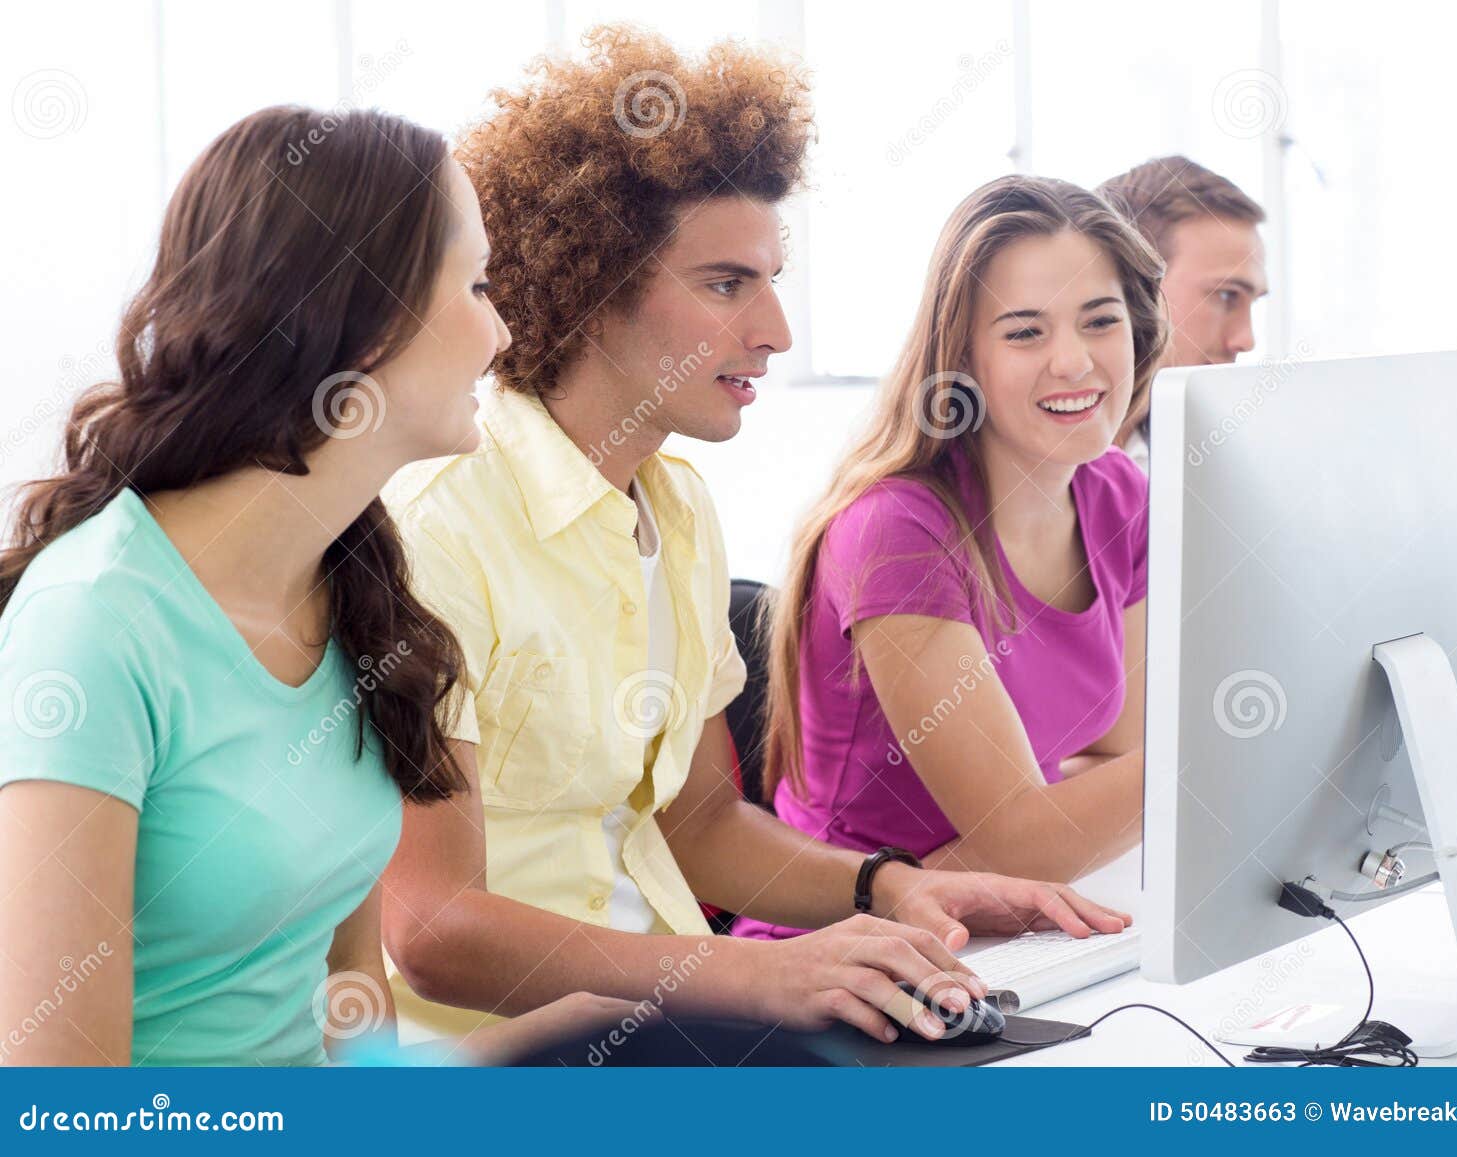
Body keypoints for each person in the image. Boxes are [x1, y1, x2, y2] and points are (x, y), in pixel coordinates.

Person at [380, 26, 1128, 1050]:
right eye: (728, 284)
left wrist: (893, 890)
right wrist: (755, 972)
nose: (775, 329)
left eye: (772, 280)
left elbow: (697, 828)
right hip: (503, 1057)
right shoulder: (441, 530)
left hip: (685, 1026)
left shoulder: (674, 510)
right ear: (592, 283)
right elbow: (430, 928)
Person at [0, 105, 634, 1066]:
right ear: (365, 319)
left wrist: (495, 1069)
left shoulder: (357, 591)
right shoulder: (94, 624)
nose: (501, 331)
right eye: (476, 285)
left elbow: (350, 1022)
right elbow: (61, 1112)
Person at [735, 175, 1167, 940]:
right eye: (1025, 332)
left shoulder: (1116, 493)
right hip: (849, 955)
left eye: (1100, 321)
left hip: (1008, 926)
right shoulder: (897, 531)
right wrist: (1230, 737)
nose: (1074, 361)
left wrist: (1033, 840)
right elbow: (1024, 840)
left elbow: (1114, 754)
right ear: (962, 359)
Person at [1097, 155, 1268, 470]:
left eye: (1253, 301)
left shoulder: (1208, 454)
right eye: (1227, 295)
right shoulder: (1025, 466)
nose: (1246, 340)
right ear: (1135, 287)